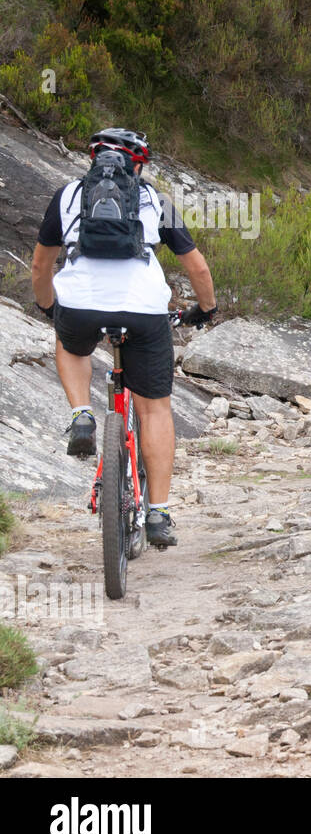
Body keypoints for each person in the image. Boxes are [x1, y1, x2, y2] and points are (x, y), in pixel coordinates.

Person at [30, 128, 218, 548]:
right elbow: (198, 269)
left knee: (70, 342)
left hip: (81, 305)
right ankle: (158, 514)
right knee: (154, 410)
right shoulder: (156, 200)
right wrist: (205, 310)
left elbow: (42, 267)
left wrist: (49, 308)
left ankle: (82, 414)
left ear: (93, 160)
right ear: (139, 165)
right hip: (144, 312)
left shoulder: (67, 196)